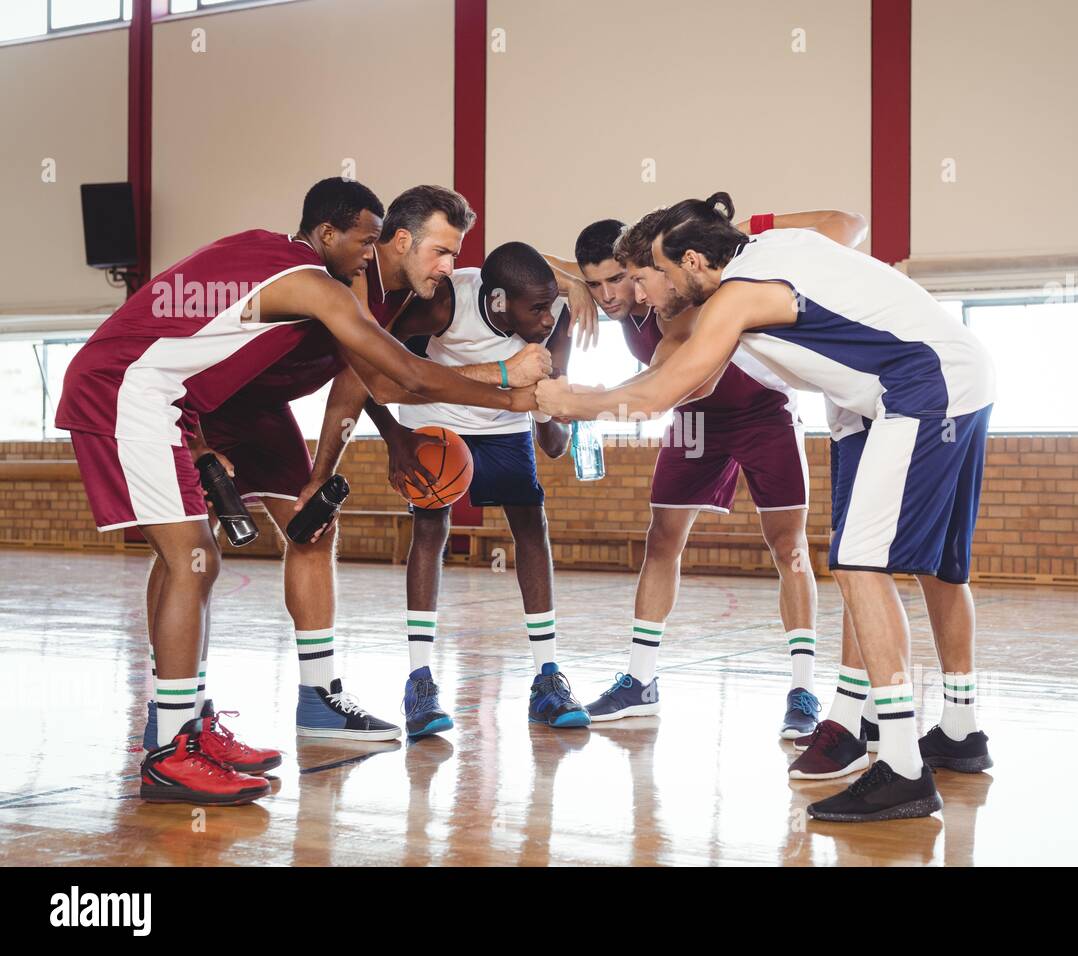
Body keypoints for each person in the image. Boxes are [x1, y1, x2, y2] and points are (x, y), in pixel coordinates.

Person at [56, 177, 540, 805]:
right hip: (136, 391)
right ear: (341, 236)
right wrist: (510, 389)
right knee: (190, 558)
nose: (449, 267)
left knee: (279, 536)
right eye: (369, 240)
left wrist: (348, 457)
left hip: (207, 398)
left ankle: (275, 707)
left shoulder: (327, 275)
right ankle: (172, 744)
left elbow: (361, 380)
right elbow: (403, 378)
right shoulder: (316, 282)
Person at [537, 192, 996, 822]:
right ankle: (961, 729)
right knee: (939, 566)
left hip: (921, 386)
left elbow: (660, 394)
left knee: (860, 563)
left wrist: (566, 401)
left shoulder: (738, 294)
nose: (645, 293)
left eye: (652, 276)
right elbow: (667, 377)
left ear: (693, 260)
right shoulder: (772, 250)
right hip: (934, 379)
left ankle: (902, 766)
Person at [316, 231, 591, 732]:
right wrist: (396, 436)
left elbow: (554, 443)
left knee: (532, 528)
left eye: (551, 308)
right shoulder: (444, 303)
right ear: (501, 302)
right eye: (537, 311)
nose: (547, 320)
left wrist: (558, 409)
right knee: (430, 531)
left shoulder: (555, 319)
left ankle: (547, 676)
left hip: (506, 429)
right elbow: (369, 364)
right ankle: (419, 681)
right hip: (441, 421)